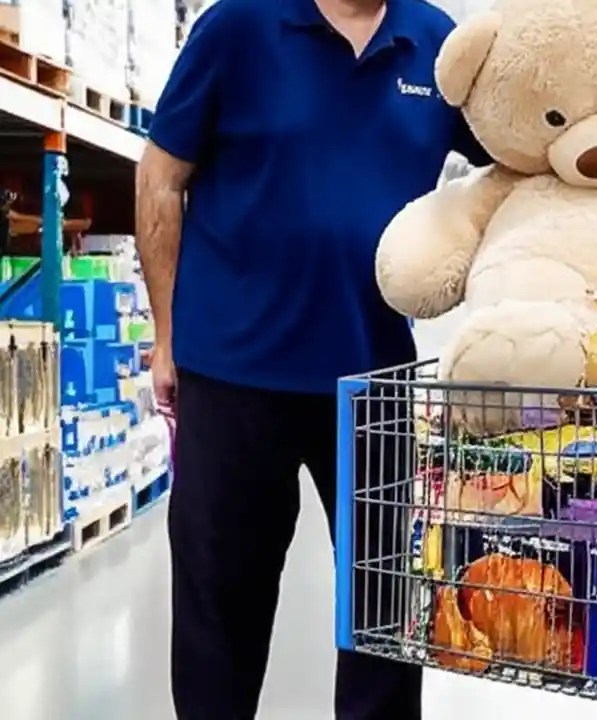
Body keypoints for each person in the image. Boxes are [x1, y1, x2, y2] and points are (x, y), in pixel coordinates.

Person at [135, 0, 491, 717]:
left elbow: (515, 152)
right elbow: (160, 177)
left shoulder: (435, 41)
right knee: (220, 604)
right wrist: (167, 335)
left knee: (386, 609)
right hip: (234, 372)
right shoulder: (237, 26)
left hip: (374, 380)